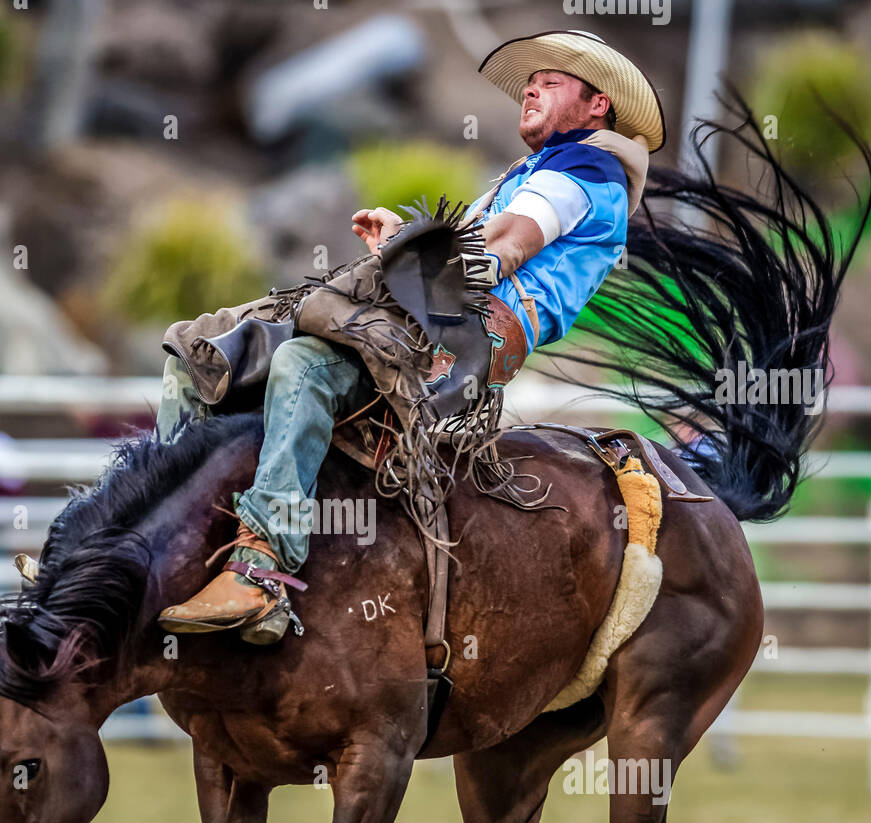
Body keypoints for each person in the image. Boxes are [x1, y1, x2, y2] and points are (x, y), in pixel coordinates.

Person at [155, 30, 664, 643]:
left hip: (465, 341)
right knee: (199, 355)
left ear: (597, 105)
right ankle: (159, 534)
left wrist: (424, 270)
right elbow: (477, 240)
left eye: (550, 82)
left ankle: (259, 569)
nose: (530, 88)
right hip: (435, 323)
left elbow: (504, 245)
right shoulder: (537, 170)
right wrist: (403, 245)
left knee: (301, 365)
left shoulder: (584, 169)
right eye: (530, 82)